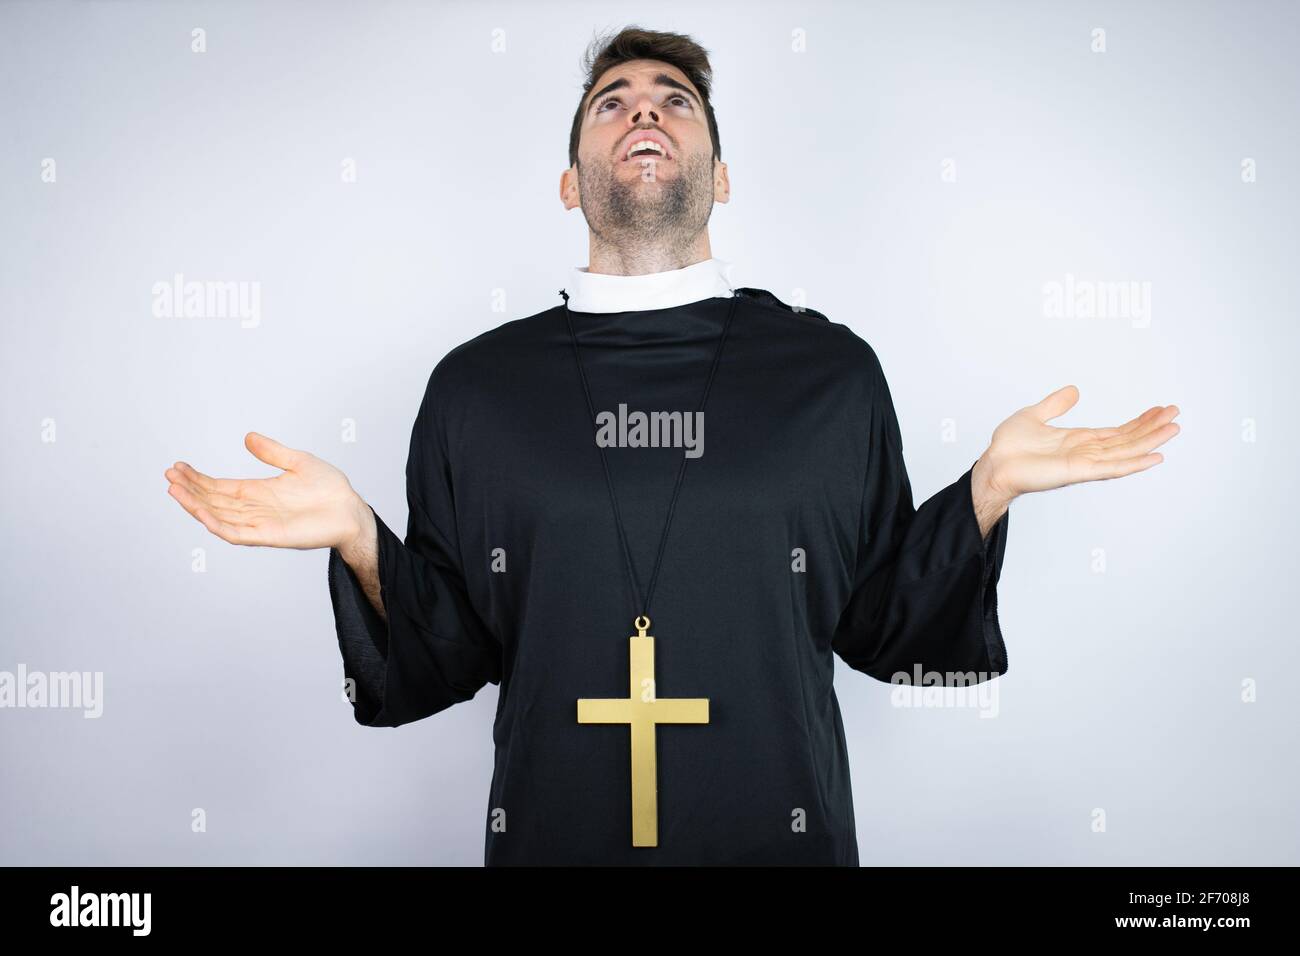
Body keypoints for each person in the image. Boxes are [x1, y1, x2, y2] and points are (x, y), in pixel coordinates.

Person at [164, 26, 1180, 865]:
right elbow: (449, 647)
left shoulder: (827, 374)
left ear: (719, 175)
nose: (643, 110)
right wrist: (358, 538)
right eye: (612, 100)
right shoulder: (477, 388)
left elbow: (883, 626)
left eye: (673, 99)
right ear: (570, 183)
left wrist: (986, 489)